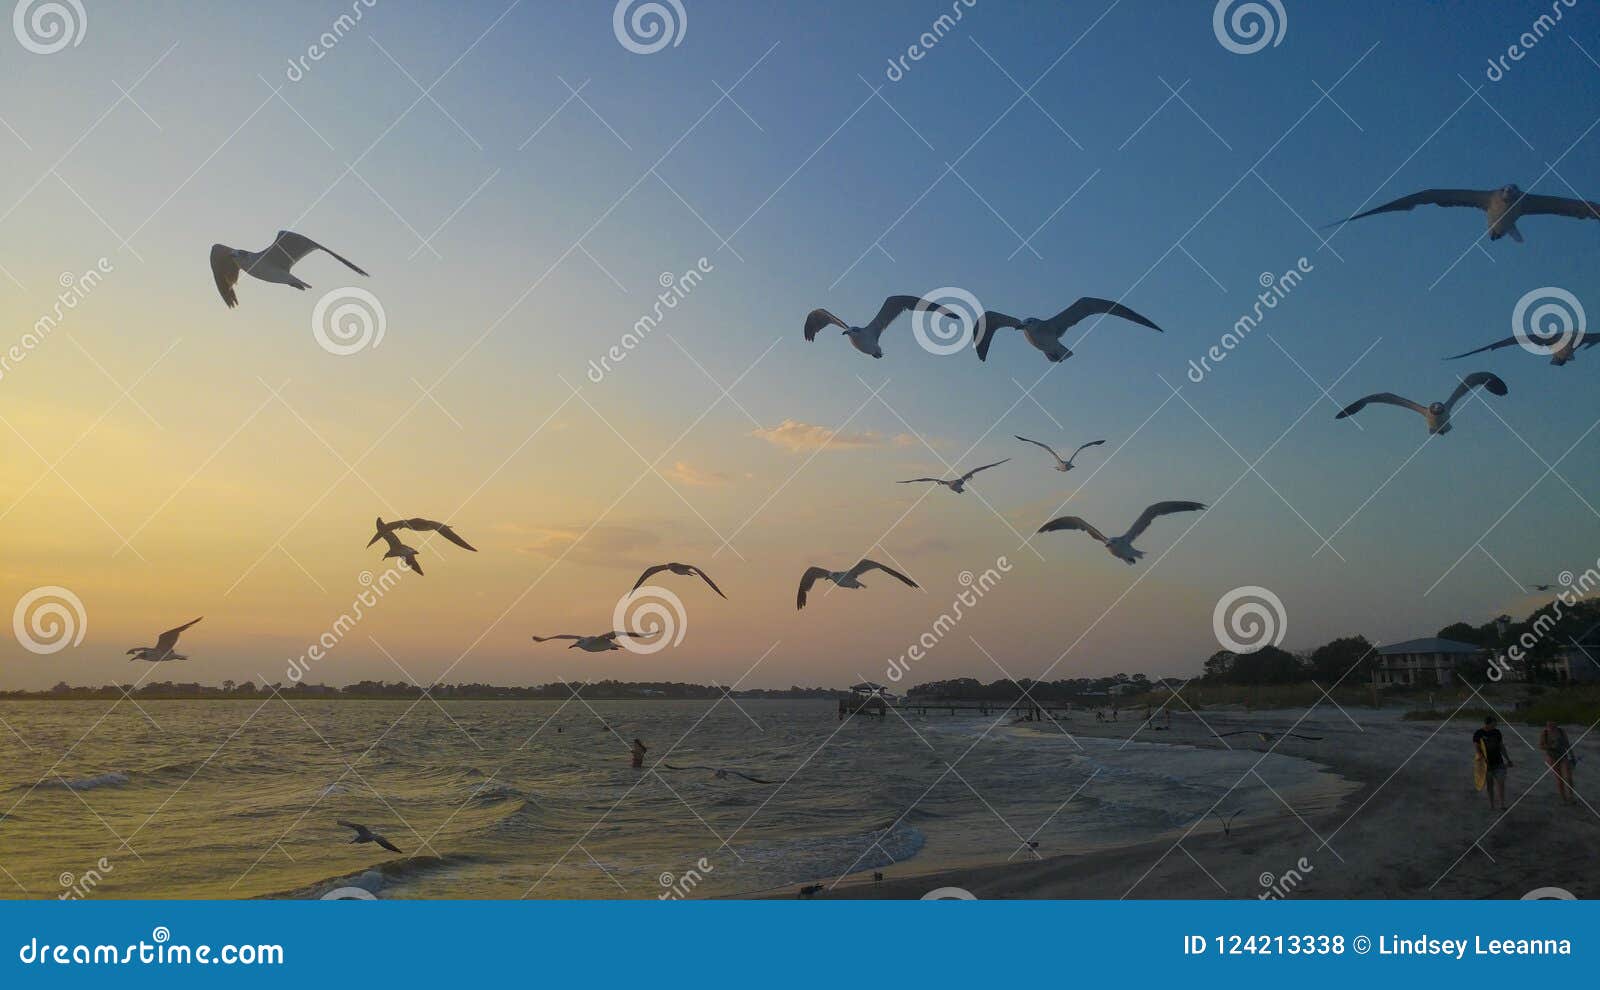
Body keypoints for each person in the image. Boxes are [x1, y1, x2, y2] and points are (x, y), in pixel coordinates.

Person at [1472, 716, 1512, 810]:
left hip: (1499, 762)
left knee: (1501, 783)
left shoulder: (1497, 732)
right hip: (1486, 765)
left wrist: (1508, 759)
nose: (1496, 724)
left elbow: (1501, 746)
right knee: (1490, 785)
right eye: (1495, 722)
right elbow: (1477, 746)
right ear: (1489, 723)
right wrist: (1480, 757)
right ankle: (1492, 805)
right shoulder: (1479, 733)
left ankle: (1502, 804)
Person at [1539, 721, 1576, 806]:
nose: (1550, 725)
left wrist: (1572, 756)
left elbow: (1567, 744)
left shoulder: (1561, 731)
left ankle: (1571, 796)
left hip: (1563, 756)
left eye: (1552, 723)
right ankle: (1563, 798)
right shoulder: (1544, 733)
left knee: (1568, 776)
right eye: (1548, 724)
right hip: (1552, 757)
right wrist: (1550, 746)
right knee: (1560, 778)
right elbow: (1541, 746)